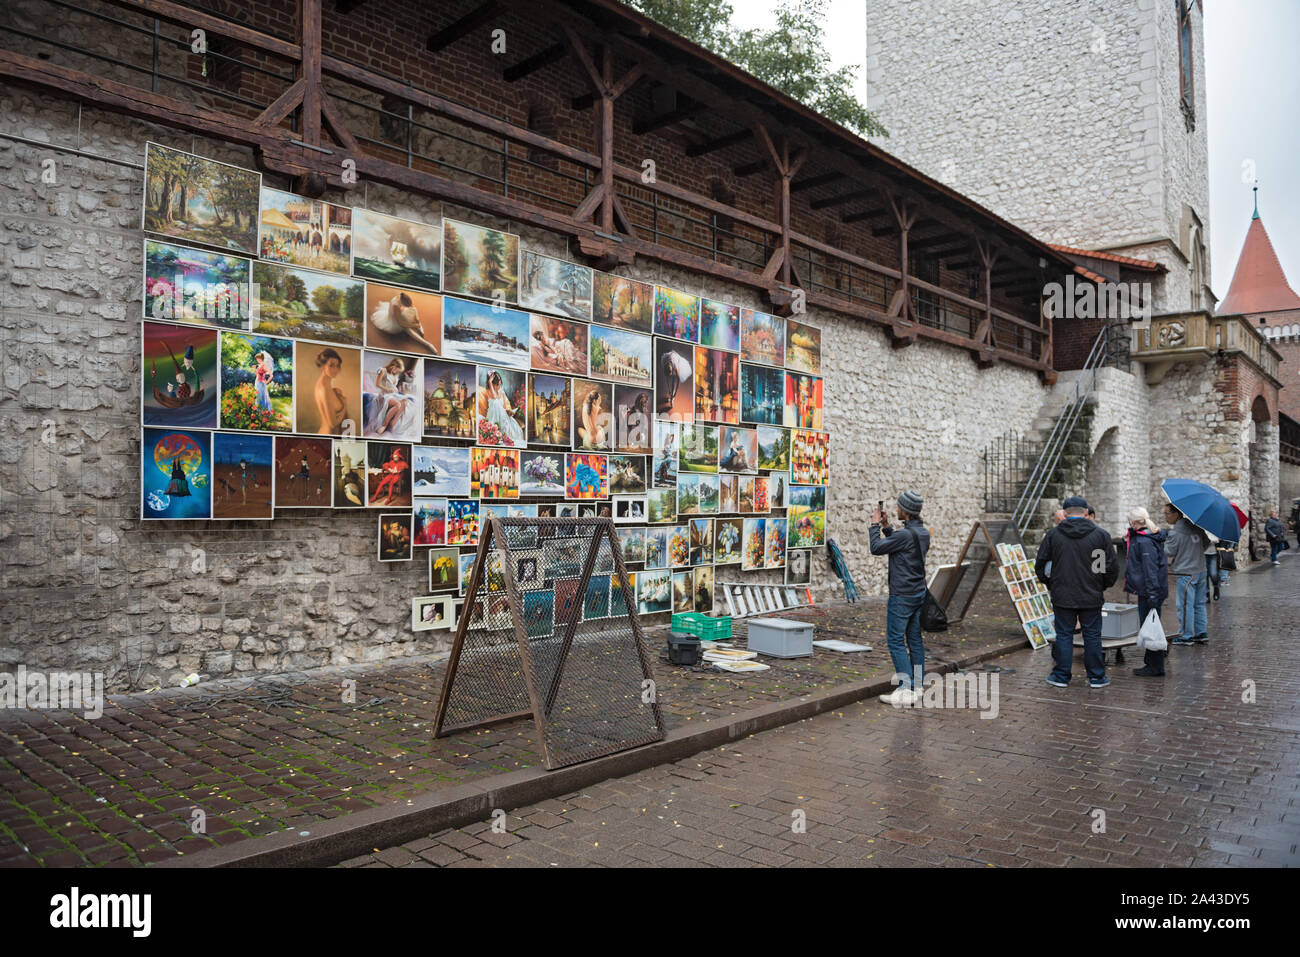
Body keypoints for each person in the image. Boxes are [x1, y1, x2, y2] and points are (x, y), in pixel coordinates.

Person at [1035, 495, 1118, 689]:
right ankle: (1096, 677)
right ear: (1087, 513)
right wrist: (1102, 585)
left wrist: (1051, 583)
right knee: (1092, 635)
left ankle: (1061, 675)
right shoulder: (1100, 535)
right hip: (1091, 593)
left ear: (1065, 513)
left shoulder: (1054, 535)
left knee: (1064, 634)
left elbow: (1041, 564)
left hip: (1063, 593)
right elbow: (1110, 566)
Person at [869, 490, 930, 705]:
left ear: (905, 510)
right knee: (914, 639)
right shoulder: (922, 532)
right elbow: (900, 544)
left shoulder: (906, 535)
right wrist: (887, 527)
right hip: (917, 593)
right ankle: (918, 685)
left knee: (895, 640)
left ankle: (905, 689)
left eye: (899, 507)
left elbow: (876, 548)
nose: (896, 509)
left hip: (902, 595)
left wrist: (875, 525)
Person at [1124, 507, 1169, 677]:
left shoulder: (1145, 542)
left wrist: (1152, 593)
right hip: (1150, 590)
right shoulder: (1144, 538)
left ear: (1134, 522)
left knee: (1150, 626)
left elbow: (1150, 571)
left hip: (1150, 591)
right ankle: (1152, 662)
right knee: (1151, 625)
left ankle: (1156, 665)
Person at [1165, 503, 1209, 645]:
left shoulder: (1175, 533)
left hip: (1186, 573)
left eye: (1167, 513)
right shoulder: (1197, 528)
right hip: (1201, 570)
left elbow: (1168, 552)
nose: (1165, 516)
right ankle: (1201, 633)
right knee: (1199, 603)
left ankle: (1186, 635)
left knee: (1185, 605)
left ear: (1176, 514)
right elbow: (1206, 544)